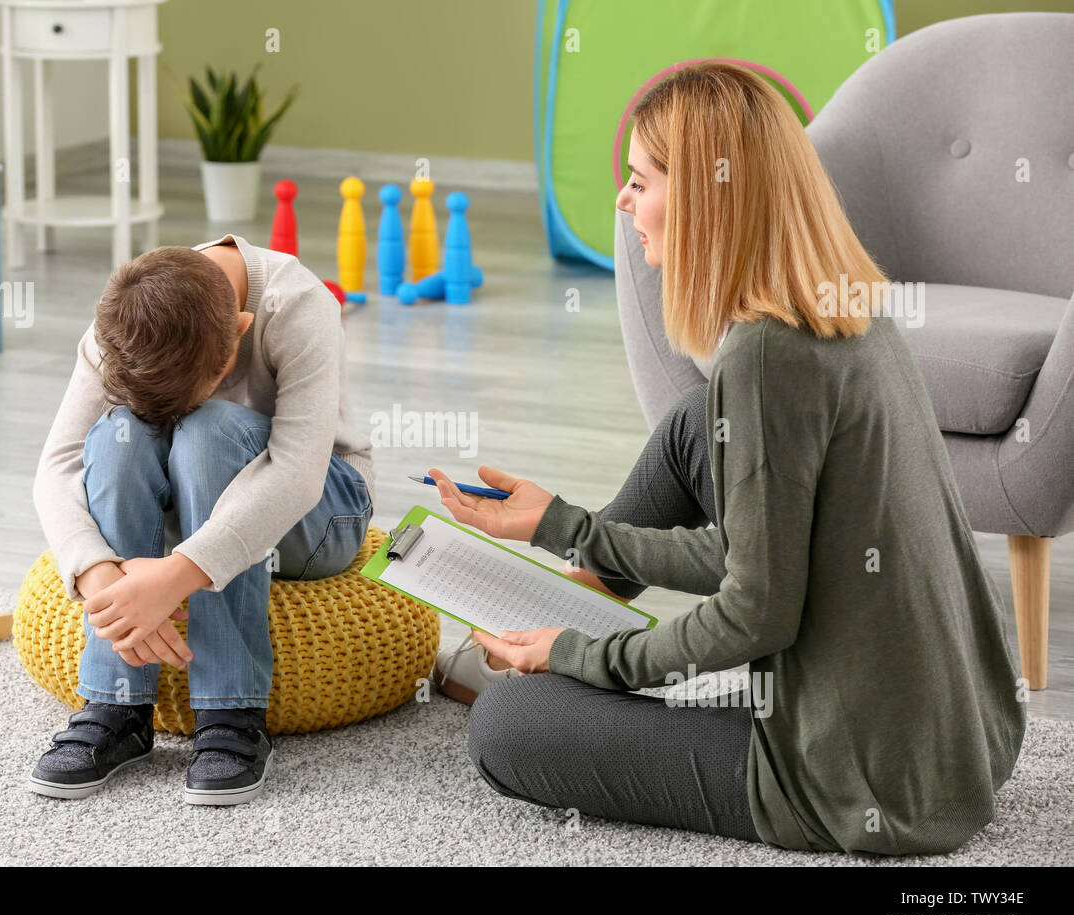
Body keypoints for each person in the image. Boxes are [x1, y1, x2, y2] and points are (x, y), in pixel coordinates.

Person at [429, 61, 1026, 855]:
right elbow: (763, 545)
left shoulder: (764, 358)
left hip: (866, 783)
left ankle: (553, 648)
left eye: (641, 180)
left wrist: (585, 659)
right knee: (690, 426)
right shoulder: (846, 305)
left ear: (710, 195)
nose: (623, 198)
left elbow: (756, 609)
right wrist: (564, 527)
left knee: (506, 726)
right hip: (963, 743)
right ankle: (562, 614)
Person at [27, 236, 375, 805]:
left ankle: (231, 709)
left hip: (319, 511)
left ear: (239, 331)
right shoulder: (126, 318)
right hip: (189, 508)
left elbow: (297, 474)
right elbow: (58, 465)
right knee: (121, 436)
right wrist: (100, 577)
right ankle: (117, 702)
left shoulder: (299, 304)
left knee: (208, 428)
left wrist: (177, 575)